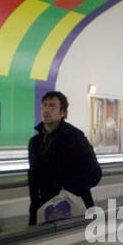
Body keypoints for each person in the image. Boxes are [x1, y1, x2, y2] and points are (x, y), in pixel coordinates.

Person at [27, 90, 102, 225]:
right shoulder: (35, 142)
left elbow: (94, 173)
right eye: (44, 105)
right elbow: (33, 177)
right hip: (45, 208)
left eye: (52, 106)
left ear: (63, 113)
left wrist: (67, 191)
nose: (47, 109)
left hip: (72, 206)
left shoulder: (75, 138)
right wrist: (34, 210)